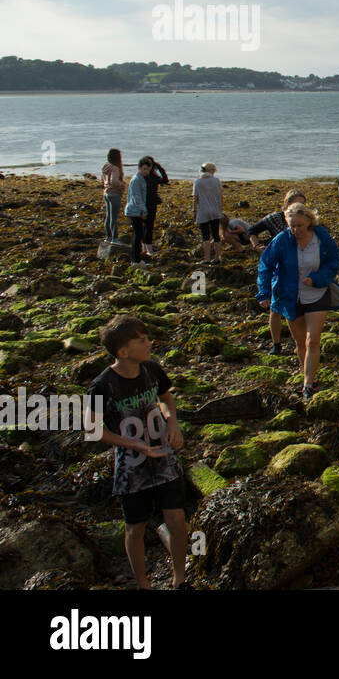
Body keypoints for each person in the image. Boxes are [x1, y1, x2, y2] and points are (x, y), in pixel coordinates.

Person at [86, 315, 191, 589]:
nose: (149, 343)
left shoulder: (152, 369)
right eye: (141, 340)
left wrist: (172, 422)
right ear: (123, 352)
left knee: (177, 517)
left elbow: (166, 397)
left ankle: (180, 579)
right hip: (132, 467)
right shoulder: (102, 386)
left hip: (165, 455)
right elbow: (92, 430)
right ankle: (143, 585)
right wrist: (135, 445)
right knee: (135, 528)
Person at [256, 202, 339, 401]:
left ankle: (308, 384)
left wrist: (318, 278)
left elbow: (334, 260)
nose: (296, 230)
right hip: (289, 296)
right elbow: (265, 265)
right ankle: (308, 378)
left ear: (309, 222)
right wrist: (264, 292)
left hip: (317, 294)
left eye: (300, 226)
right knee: (300, 342)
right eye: (292, 225)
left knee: (313, 340)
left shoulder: (321, 237)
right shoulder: (282, 240)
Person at [247, 189, 307, 355]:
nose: (298, 207)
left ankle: (301, 344)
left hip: (300, 272)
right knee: (276, 309)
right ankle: (276, 344)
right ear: (286, 204)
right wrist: (256, 246)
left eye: (302, 204)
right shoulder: (275, 219)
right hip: (279, 270)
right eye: (295, 203)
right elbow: (251, 230)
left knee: (299, 309)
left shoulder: (306, 220)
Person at [192, 162, 223, 264]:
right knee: (216, 235)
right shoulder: (216, 181)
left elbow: (195, 199)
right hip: (215, 211)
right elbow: (220, 196)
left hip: (203, 211)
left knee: (205, 236)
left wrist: (194, 211)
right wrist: (220, 209)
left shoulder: (198, 182)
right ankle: (217, 257)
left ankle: (207, 259)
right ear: (212, 171)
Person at [122, 158, 151, 265]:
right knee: (138, 235)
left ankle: (136, 258)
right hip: (134, 211)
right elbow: (137, 197)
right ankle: (135, 260)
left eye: (147, 169)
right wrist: (143, 211)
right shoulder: (136, 180)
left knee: (139, 235)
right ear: (139, 168)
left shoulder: (141, 179)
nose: (146, 171)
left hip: (136, 210)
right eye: (144, 169)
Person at [140, 155, 168, 256]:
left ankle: (144, 248)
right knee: (149, 226)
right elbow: (165, 179)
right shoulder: (154, 177)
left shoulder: (142, 177)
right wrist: (159, 167)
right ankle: (149, 249)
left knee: (144, 226)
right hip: (151, 203)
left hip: (143, 203)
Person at [102, 148, 126, 243]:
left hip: (106, 192)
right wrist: (122, 184)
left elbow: (104, 180)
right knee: (114, 217)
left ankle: (108, 237)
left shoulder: (106, 166)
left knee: (108, 216)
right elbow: (114, 181)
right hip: (114, 193)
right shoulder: (115, 168)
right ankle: (115, 238)